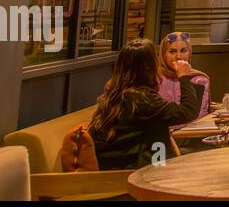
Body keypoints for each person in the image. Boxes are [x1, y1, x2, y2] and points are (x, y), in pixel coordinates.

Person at [89, 39, 204, 170]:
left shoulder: (117, 93)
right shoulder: (139, 99)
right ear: (149, 66)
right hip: (130, 170)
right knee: (199, 159)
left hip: (119, 165)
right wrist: (184, 76)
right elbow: (186, 112)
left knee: (190, 154)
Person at [156, 31, 210, 127]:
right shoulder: (155, 77)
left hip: (189, 134)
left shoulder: (199, 79)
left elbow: (199, 115)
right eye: (172, 51)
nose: (178, 57)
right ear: (163, 54)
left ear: (190, 52)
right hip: (161, 134)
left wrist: (183, 76)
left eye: (183, 51)